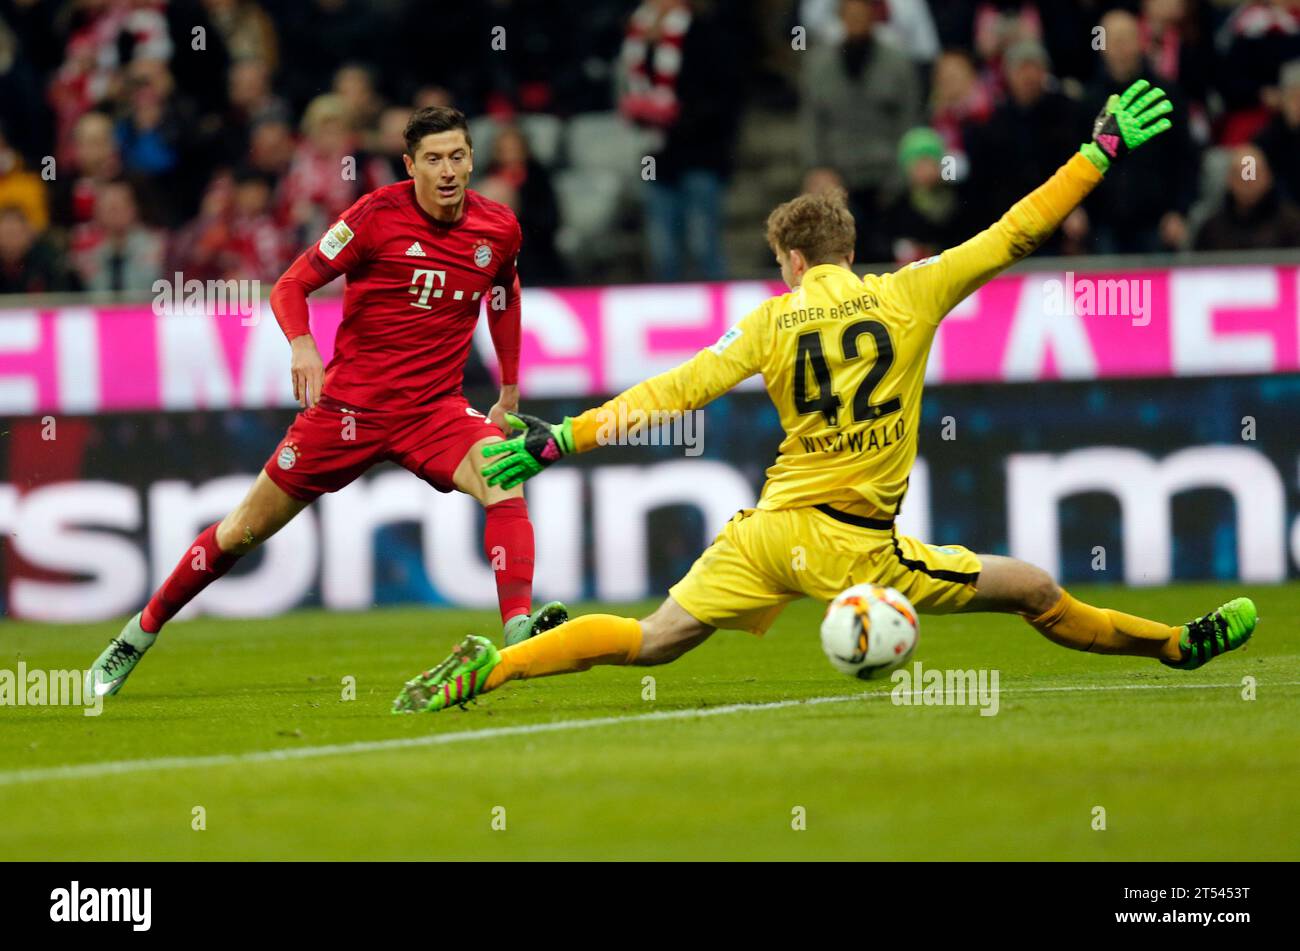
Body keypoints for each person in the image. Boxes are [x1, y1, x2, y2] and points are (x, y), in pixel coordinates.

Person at [392, 81, 1257, 715]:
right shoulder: (910, 291)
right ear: (848, 249)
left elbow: (677, 389)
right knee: (1033, 588)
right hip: (854, 549)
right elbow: (1016, 232)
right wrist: (1097, 151)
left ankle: (497, 667)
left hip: (766, 533)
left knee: (650, 639)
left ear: (796, 261)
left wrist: (563, 439)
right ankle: (1175, 646)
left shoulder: (770, 322)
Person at [85, 107, 568, 699]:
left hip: (433, 411)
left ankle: (519, 631)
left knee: (504, 476)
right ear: (410, 165)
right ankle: (138, 634)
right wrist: (304, 346)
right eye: (434, 159)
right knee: (240, 532)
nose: (448, 171)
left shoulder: (499, 228)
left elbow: (504, 293)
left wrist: (510, 387)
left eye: (458, 156)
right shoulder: (373, 216)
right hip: (348, 412)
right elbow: (291, 285)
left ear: (472, 159)